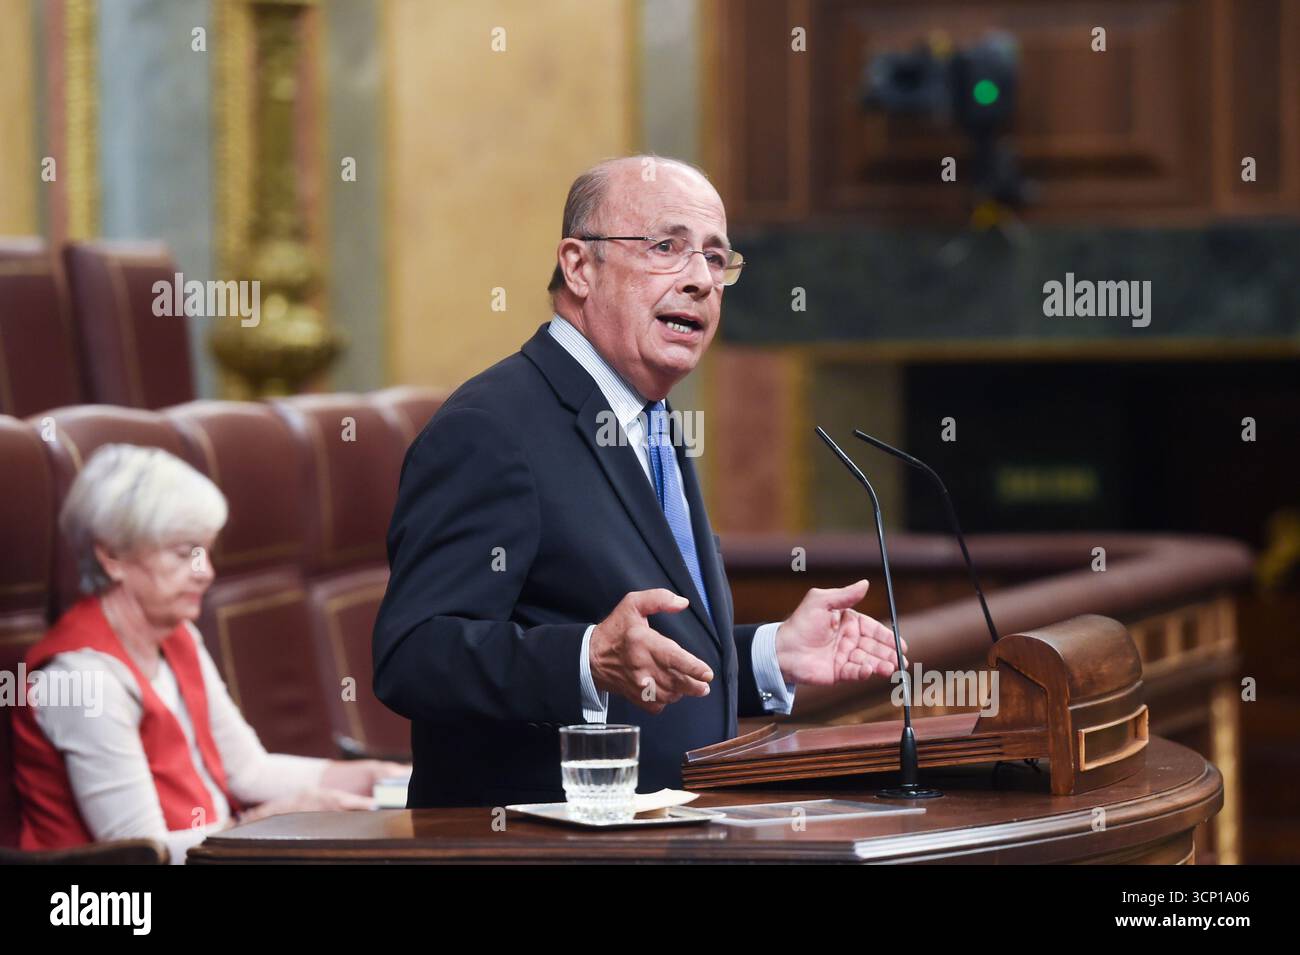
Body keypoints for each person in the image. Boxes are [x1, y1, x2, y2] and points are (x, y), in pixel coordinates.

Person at [373, 155, 905, 808]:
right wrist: (587, 657)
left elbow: (644, 655)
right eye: (666, 247)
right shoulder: (491, 427)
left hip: (662, 836)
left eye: (716, 258)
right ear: (578, 265)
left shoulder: (648, 417)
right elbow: (414, 654)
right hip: (531, 851)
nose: (702, 282)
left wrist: (770, 653)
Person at [13, 443, 407, 862]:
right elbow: (141, 853)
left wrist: (366, 778)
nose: (207, 573)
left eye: (206, 551)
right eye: (185, 554)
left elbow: (247, 770)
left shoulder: (175, 633)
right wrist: (271, 822)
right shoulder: (82, 677)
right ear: (111, 556)